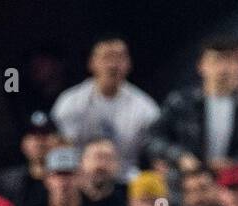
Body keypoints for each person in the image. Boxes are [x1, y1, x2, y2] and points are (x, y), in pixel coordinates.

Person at [146, 38, 238, 170]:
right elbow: (152, 139)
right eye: (216, 61)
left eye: (229, 61)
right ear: (201, 66)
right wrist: (180, 156)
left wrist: (235, 164)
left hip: (229, 184)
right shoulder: (181, 102)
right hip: (187, 182)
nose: (223, 68)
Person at [51, 36, 160, 171]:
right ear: (91, 63)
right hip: (80, 178)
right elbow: (61, 148)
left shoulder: (145, 108)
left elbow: (155, 153)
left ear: (129, 64)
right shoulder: (70, 103)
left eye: (119, 58)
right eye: (106, 58)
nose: (113, 65)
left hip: (127, 179)